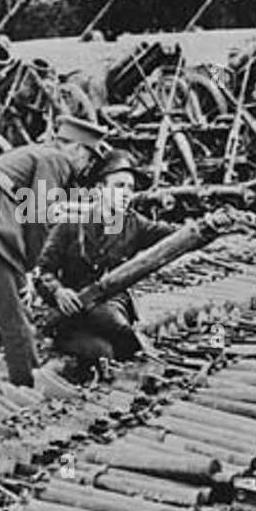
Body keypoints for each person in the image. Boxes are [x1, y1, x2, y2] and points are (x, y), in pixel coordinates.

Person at [0, 115, 109, 385]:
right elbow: (38, 215)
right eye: (89, 158)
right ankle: (26, 376)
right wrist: (33, 269)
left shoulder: (42, 154)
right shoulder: (56, 160)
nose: (87, 166)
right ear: (78, 149)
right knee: (12, 298)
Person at [32, 149, 177, 380]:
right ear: (99, 189)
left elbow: (175, 238)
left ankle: (139, 354)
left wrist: (211, 225)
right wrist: (58, 291)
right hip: (73, 311)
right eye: (119, 187)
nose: (126, 194)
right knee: (100, 352)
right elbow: (42, 271)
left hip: (112, 308)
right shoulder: (71, 225)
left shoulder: (134, 225)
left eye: (130, 189)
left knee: (109, 328)